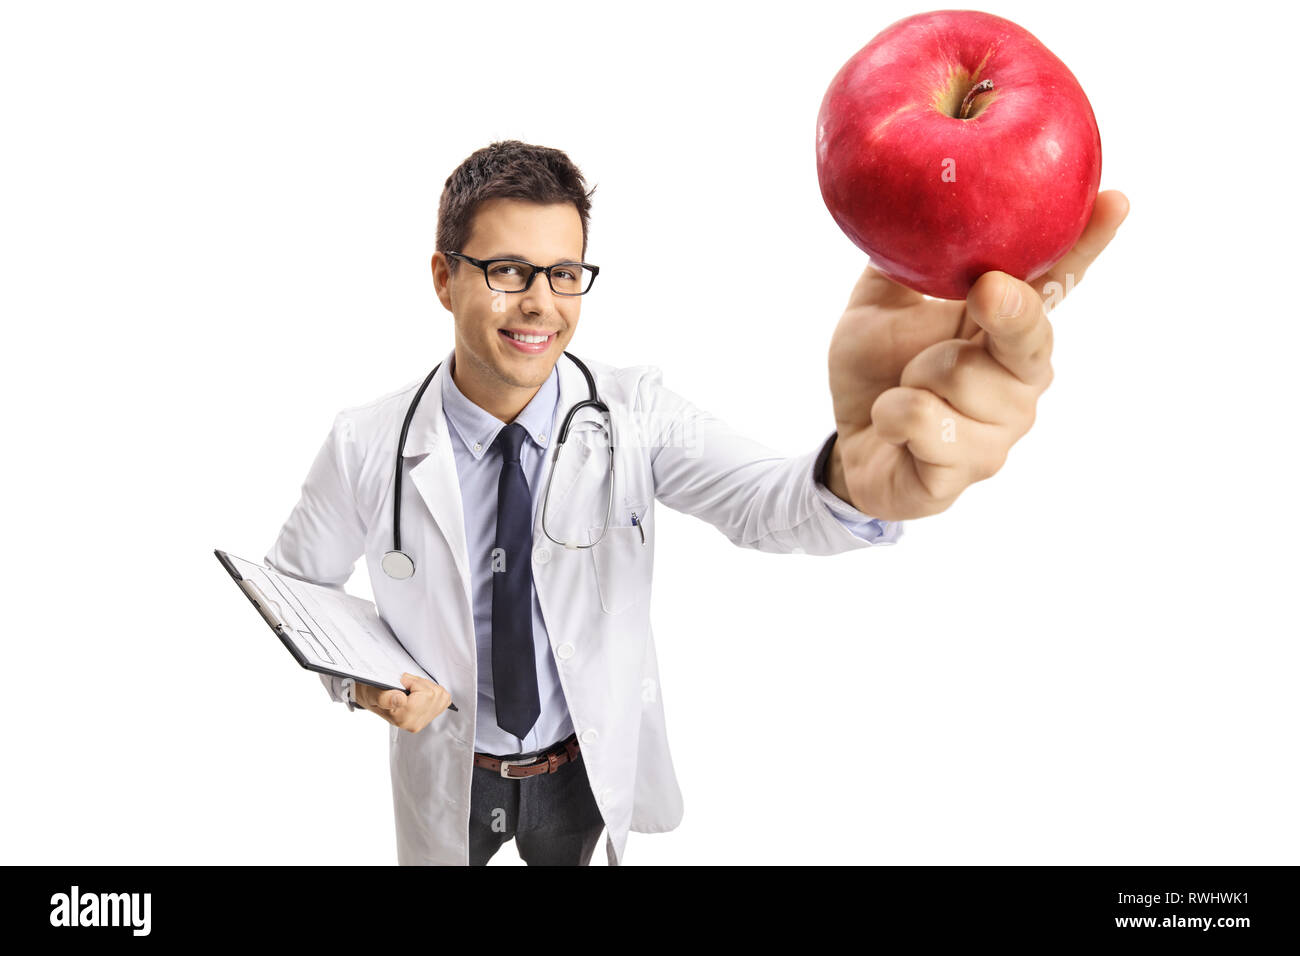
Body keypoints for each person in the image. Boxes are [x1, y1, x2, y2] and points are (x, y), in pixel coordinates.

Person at [265, 139, 1129, 866]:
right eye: (506, 271)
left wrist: (852, 478)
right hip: (452, 769)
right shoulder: (365, 442)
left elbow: (764, 500)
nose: (540, 304)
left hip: (577, 769)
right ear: (444, 279)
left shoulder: (634, 412)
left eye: (565, 274)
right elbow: (299, 587)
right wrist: (370, 681)